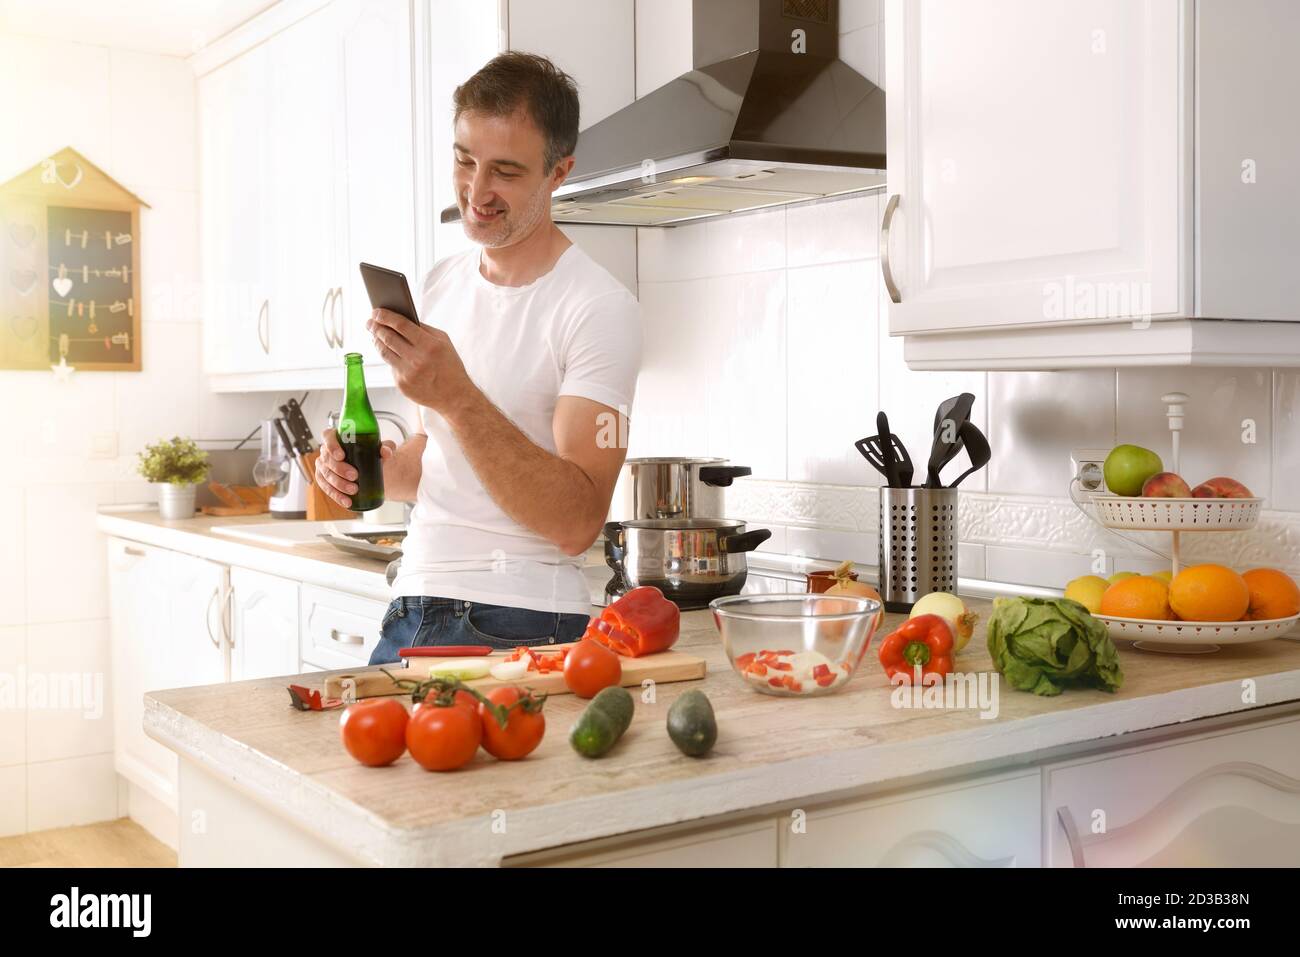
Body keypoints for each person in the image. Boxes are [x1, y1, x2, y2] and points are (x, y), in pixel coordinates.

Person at [314, 52, 641, 663]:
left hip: (521, 619)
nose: (477, 190)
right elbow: (433, 460)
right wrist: (368, 473)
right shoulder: (440, 284)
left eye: (507, 172)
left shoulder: (600, 308)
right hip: (414, 601)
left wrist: (458, 397)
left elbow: (577, 523)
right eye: (465, 160)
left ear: (558, 172)